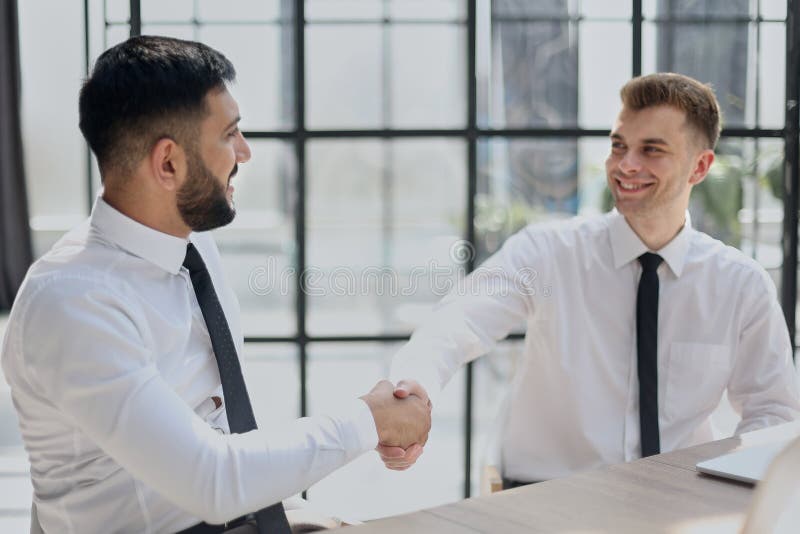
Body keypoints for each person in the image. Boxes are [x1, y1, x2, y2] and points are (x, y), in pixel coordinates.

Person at [1, 35, 430, 533]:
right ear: (168, 164)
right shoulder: (71, 302)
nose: (245, 153)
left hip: (246, 513)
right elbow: (211, 481)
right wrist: (368, 420)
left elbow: (222, 442)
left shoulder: (193, 247)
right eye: (230, 135)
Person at [381, 73, 800, 484]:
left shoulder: (741, 284)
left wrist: (731, 487)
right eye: (619, 146)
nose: (626, 165)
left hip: (679, 500)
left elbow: (773, 412)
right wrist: (411, 390)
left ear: (700, 166)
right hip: (542, 495)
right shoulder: (547, 252)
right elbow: (459, 321)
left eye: (651, 150)